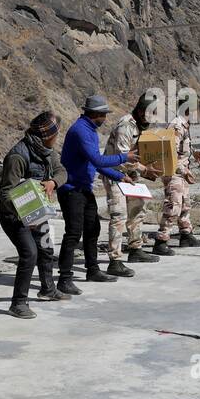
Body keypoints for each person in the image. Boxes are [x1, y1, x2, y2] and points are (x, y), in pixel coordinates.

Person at [57, 96, 139, 294]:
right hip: (71, 190)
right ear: (94, 114)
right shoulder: (81, 131)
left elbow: (94, 163)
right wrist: (124, 157)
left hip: (84, 189)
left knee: (92, 228)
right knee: (74, 233)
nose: (105, 118)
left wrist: (120, 176)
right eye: (103, 114)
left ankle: (92, 270)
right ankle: (64, 278)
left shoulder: (89, 130)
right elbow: (97, 159)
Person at [0, 112, 68, 318]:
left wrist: (53, 183)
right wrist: (24, 215)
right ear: (48, 135)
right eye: (56, 133)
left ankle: (48, 289)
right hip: (13, 215)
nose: (57, 137)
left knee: (46, 248)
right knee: (29, 253)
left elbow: (62, 171)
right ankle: (18, 303)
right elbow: (4, 194)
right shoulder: (18, 155)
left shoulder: (48, 152)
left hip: (37, 211)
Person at [103, 95, 161, 277]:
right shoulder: (125, 126)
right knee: (119, 215)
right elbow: (122, 158)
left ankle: (135, 249)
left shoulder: (142, 126)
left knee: (138, 210)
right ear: (141, 111)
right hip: (114, 173)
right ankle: (115, 260)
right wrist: (145, 170)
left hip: (131, 174)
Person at [154, 112, 200, 255]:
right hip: (174, 172)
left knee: (185, 204)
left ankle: (186, 234)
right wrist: (183, 170)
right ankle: (161, 241)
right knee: (173, 206)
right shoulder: (177, 125)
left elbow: (182, 149)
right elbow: (170, 152)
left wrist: (195, 154)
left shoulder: (185, 125)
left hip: (181, 171)